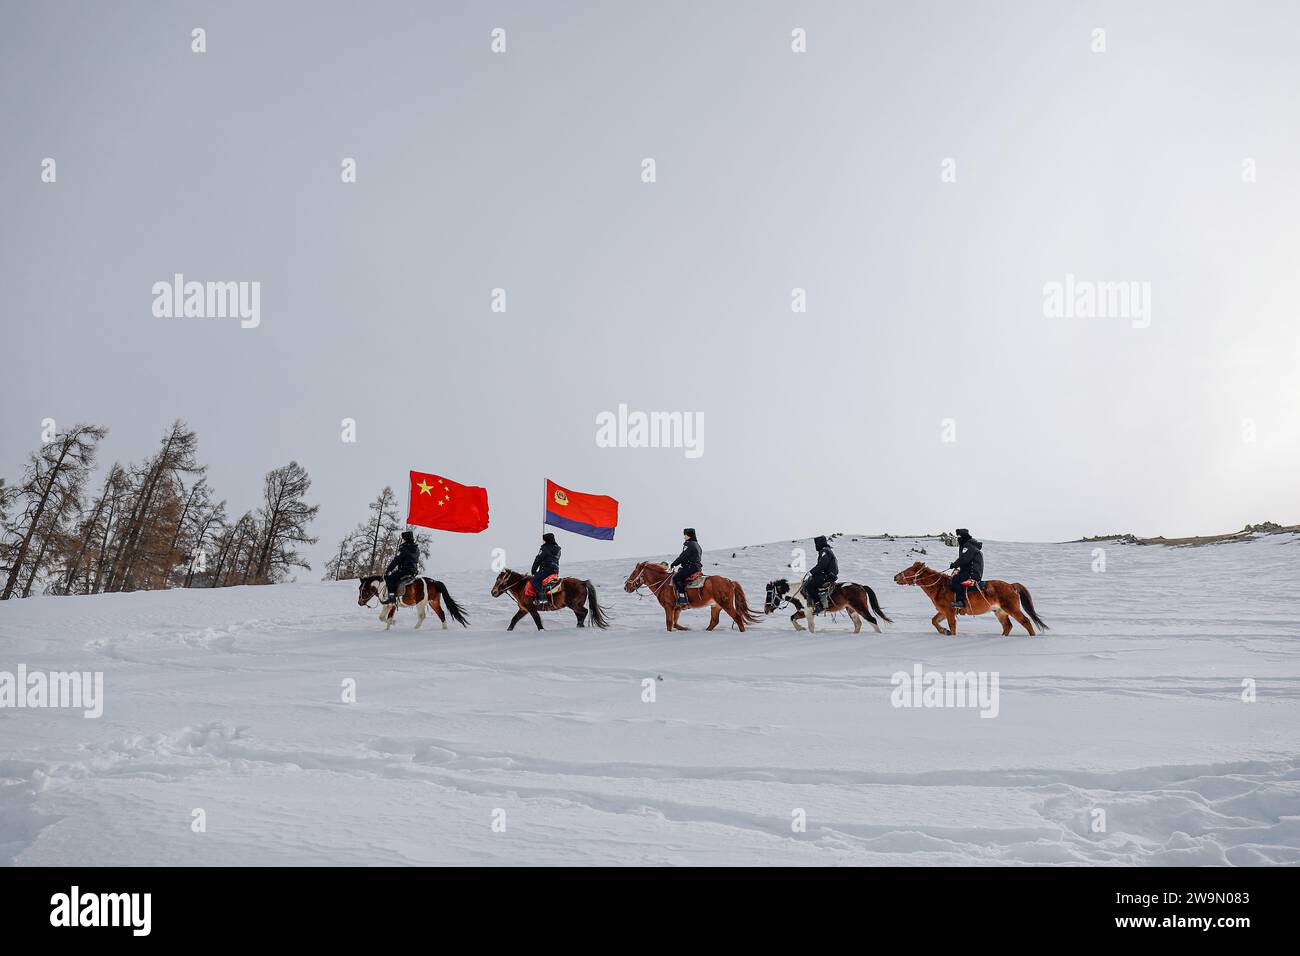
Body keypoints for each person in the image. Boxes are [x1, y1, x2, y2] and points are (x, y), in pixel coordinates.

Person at [948, 528, 984, 609]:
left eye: (959, 536)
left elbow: (964, 559)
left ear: (964, 536)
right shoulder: (970, 545)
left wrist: (954, 565)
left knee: (955, 579)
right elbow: (963, 559)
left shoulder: (968, 546)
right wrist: (955, 565)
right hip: (972, 571)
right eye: (957, 536)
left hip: (972, 573)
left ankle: (960, 601)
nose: (958, 538)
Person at [383, 530, 421, 604]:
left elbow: (396, 560)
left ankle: (391, 597)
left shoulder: (404, 549)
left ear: (406, 539)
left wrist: (388, 570)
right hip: (414, 571)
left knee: (389, 579)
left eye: (402, 539)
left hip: (404, 571)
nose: (402, 540)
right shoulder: (416, 549)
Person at [804, 534, 838, 612]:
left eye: (816, 543)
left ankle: (818, 604)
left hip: (828, 575)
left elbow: (822, 565)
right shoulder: (826, 550)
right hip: (827, 574)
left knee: (809, 586)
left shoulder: (825, 551)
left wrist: (811, 572)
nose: (816, 545)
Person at [670, 528, 702, 606]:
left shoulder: (689, 544)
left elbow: (683, 556)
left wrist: (674, 564)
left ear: (689, 535)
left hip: (690, 567)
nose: (684, 537)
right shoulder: (697, 545)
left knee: (676, 578)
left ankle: (682, 598)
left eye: (685, 535)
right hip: (696, 567)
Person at [531, 532, 561, 606]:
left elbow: (538, 559)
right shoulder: (558, 549)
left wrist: (533, 570)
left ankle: (542, 598)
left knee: (535, 580)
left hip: (546, 570)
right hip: (555, 571)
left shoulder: (544, 548)